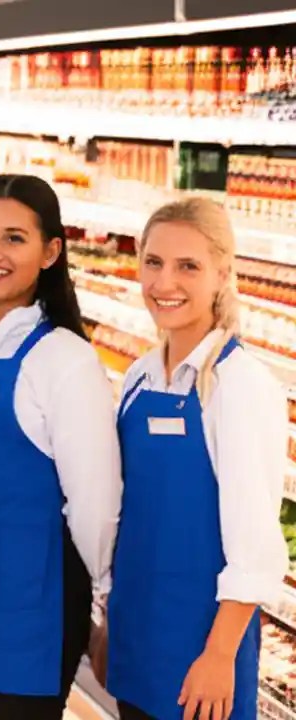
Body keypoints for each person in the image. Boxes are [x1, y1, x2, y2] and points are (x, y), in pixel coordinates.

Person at [0, 174, 122, 719]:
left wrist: (107, 606)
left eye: (14, 238)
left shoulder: (65, 359)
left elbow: (95, 505)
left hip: (26, 617)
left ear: (52, 251)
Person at [103, 197, 286, 720]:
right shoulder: (140, 375)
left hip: (201, 654)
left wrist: (219, 655)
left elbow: (254, 548)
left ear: (222, 275)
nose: (166, 283)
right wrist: (112, 628)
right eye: (154, 263)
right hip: (136, 638)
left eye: (189, 266)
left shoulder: (238, 385)